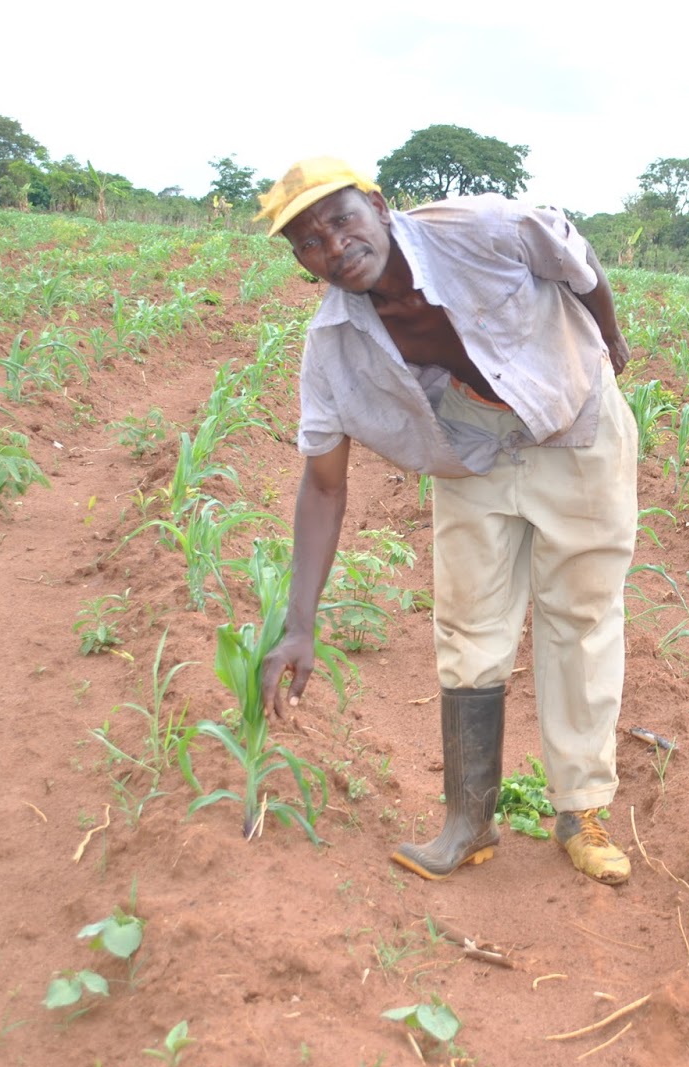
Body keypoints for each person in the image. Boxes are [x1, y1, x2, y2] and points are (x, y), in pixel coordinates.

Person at [253, 158, 638, 885]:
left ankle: (579, 812)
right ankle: (469, 820)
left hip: (575, 428)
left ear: (376, 205)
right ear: (300, 262)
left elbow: (574, 256)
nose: (332, 248)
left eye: (340, 221)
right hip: (472, 456)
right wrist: (301, 624)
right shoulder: (332, 348)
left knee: (581, 618)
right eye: (308, 242)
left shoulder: (477, 227)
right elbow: (324, 485)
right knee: (468, 628)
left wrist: (609, 335)